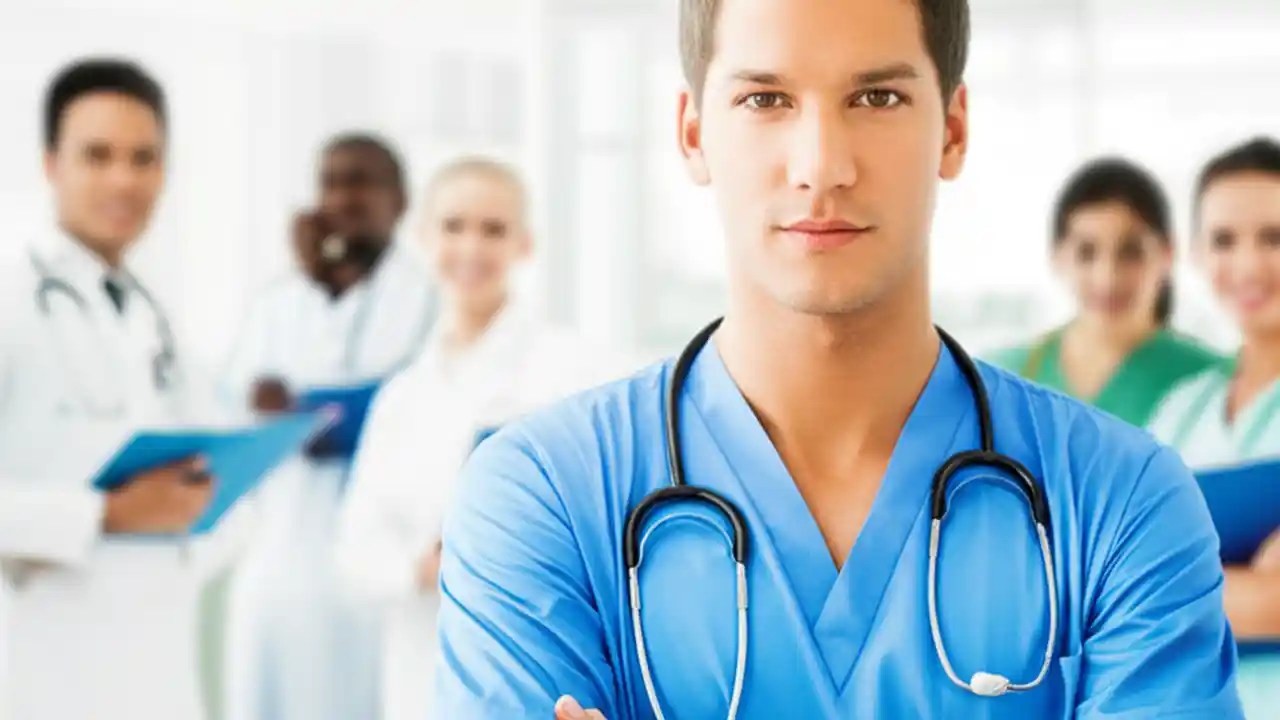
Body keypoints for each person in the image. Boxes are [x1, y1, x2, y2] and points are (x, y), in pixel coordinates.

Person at [434, 0, 1245, 717]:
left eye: (877, 97)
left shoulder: (1121, 505)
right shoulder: (540, 500)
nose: (821, 165)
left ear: (953, 130)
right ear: (692, 133)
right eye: (765, 99)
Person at [335, 157, 620, 720]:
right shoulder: (403, 395)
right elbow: (353, 550)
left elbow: (606, 515)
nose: (471, 247)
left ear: (524, 245)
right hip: (422, 670)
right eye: (453, 226)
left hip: (539, 667)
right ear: (422, 239)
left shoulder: (572, 370)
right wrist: (421, 567)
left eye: (493, 230)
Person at [0, 58, 226, 719]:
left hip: (153, 663)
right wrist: (104, 514)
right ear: (51, 164)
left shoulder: (158, 319)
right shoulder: (11, 296)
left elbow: (213, 471)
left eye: (144, 158)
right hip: (38, 664)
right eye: (97, 155)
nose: (124, 180)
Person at [220, 134, 436, 720]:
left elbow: (403, 409)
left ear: (399, 199)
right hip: (276, 567)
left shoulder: (426, 296)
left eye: (362, 181)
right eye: (332, 182)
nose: (344, 197)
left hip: (372, 583)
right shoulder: (280, 298)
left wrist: (303, 413)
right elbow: (235, 411)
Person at [1148, 137, 1280, 719]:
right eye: (1224, 240)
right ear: (1197, 254)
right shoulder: (1180, 410)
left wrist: (1163, 583)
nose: (1248, 265)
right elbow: (1105, 581)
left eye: (1274, 238)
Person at [988, 159, 1219, 427]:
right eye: (1086, 253)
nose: (1107, 277)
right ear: (1058, 256)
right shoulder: (1005, 378)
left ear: (1168, 254)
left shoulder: (1209, 382)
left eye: (1131, 252)